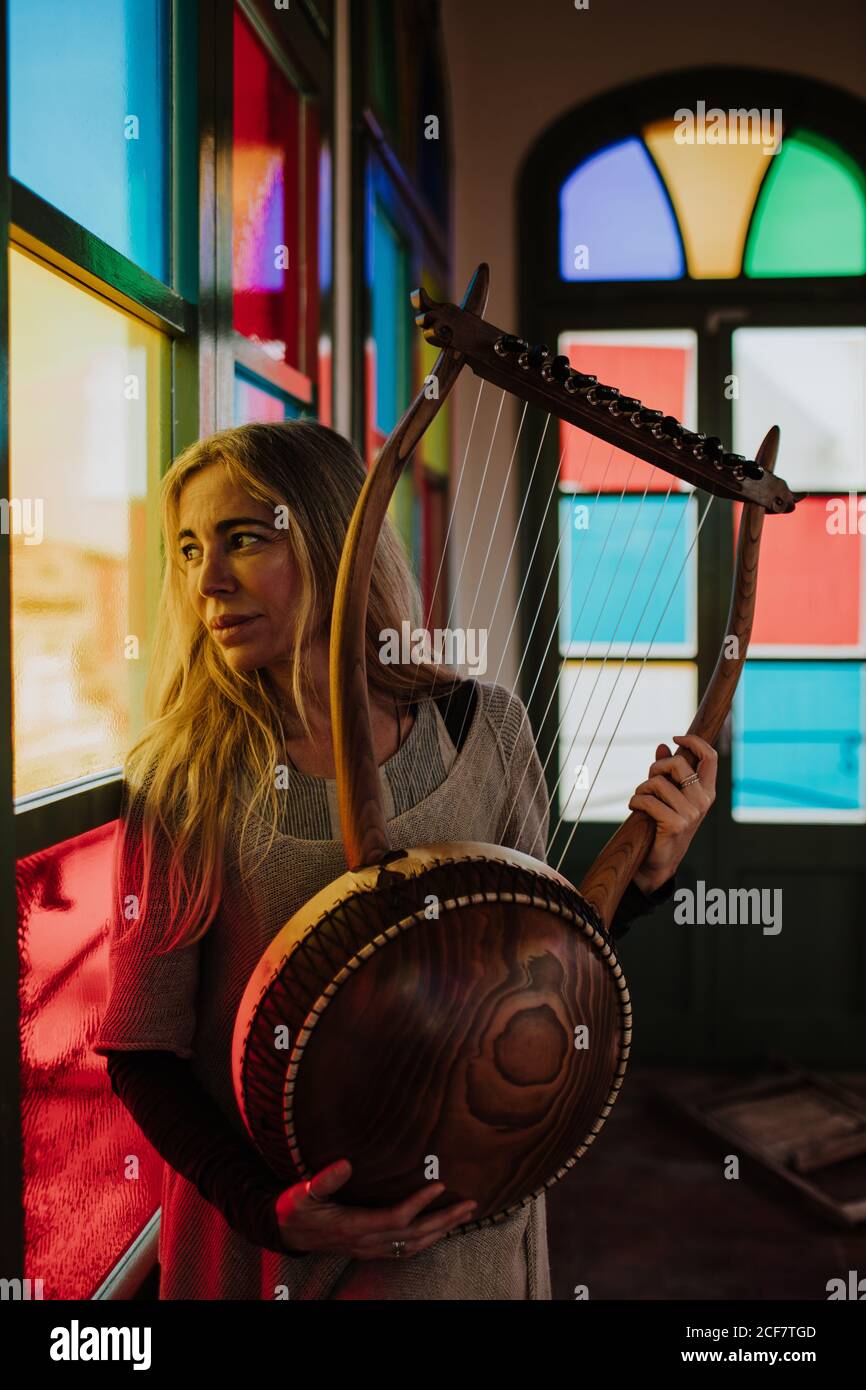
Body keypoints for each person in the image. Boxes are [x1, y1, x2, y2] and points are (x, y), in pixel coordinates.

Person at [93, 419, 716, 1300]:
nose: (208, 580)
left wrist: (648, 881)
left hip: (464, 1248)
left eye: (243, 540)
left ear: (334, 539)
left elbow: (538, 961)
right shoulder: (187, 776)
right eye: (188, 549)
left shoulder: (484, 730)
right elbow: (141, 1051)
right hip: (271, 1257)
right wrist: (269, 1209)